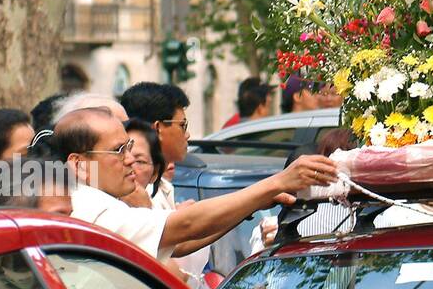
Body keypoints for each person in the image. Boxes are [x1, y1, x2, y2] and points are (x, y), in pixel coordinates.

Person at [55, 107, 337, 261]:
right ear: (79, 164)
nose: (130, 159)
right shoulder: (90, 208)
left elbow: (181, 242)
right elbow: (184, 226)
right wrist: (275, 183)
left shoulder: (100, 201)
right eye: (119, 151)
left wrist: (261, 197)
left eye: (129, 147)